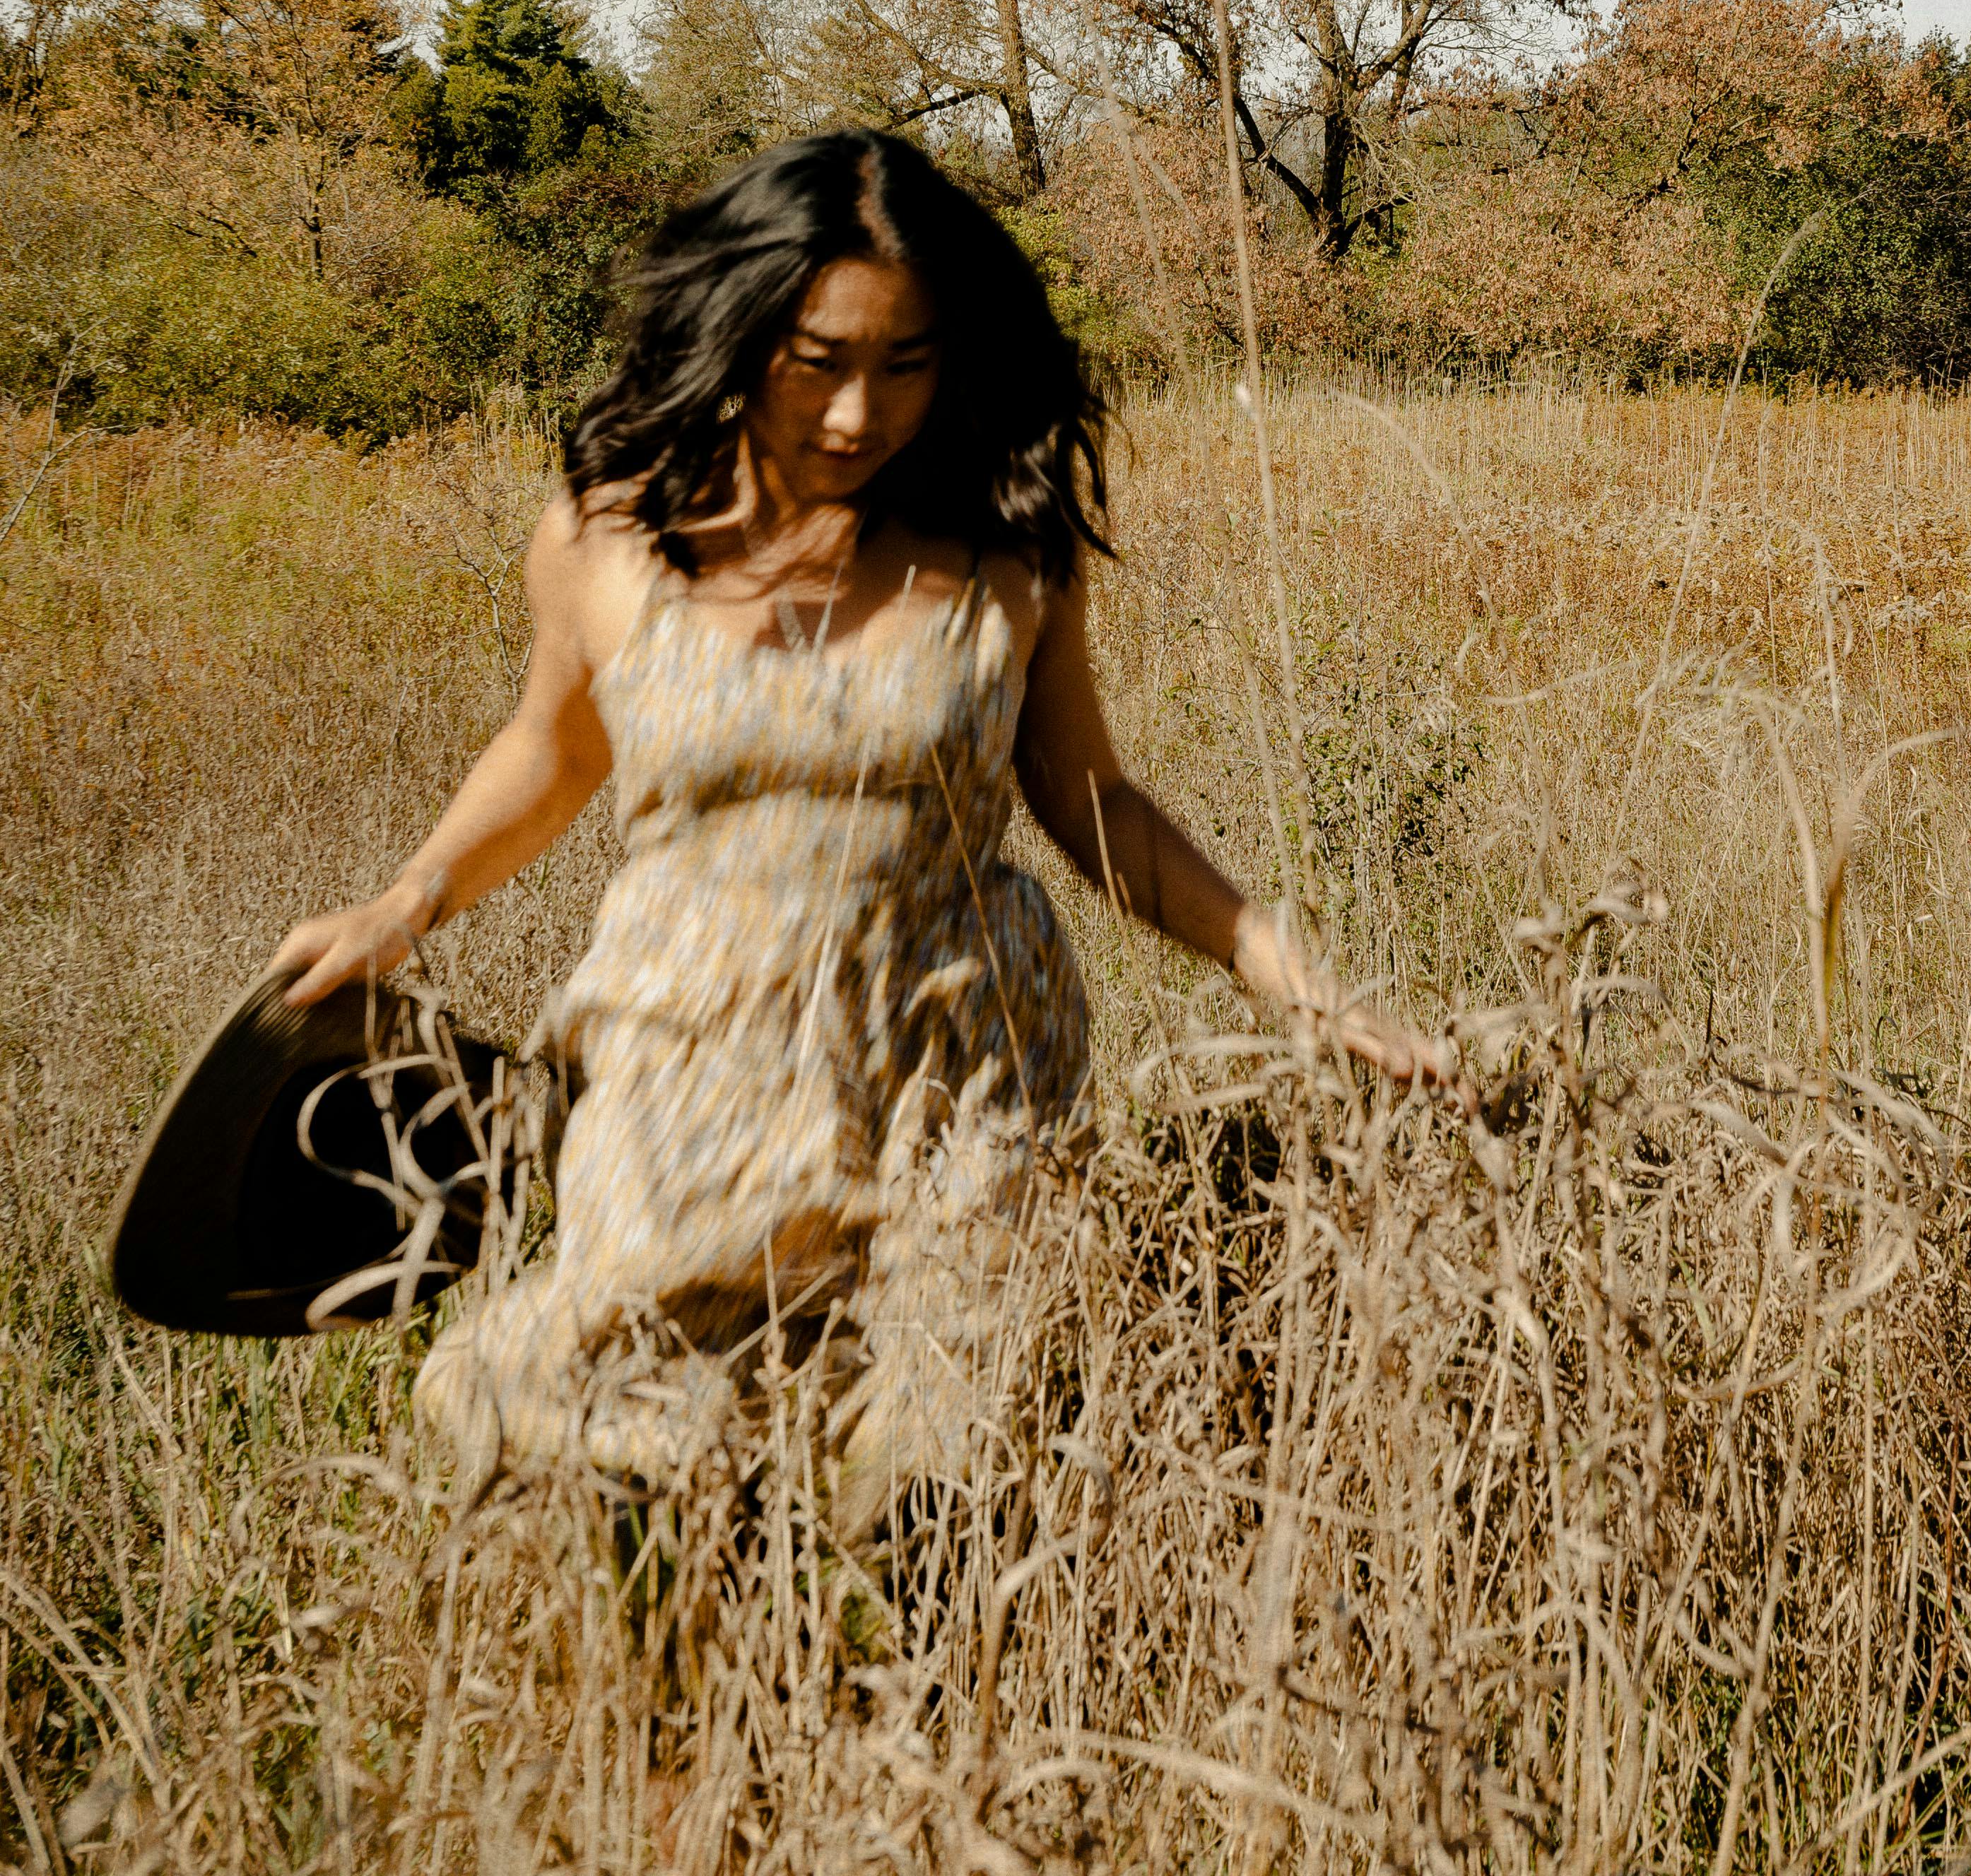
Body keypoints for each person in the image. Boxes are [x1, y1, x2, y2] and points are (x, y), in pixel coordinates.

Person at [273, 132, 1455, 1518]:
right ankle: (688, 1722)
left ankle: (946, 1724)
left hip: (960, 1061)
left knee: (937, 1474)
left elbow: (1094, 802)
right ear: (740, 325)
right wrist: (402, 903)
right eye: (818, 357)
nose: (857, 413)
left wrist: (1293, 975)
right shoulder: (608, 537)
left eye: (906, 361)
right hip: (685, 1061)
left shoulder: (1005, 549)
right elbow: (551, 748)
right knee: (624, 1437)